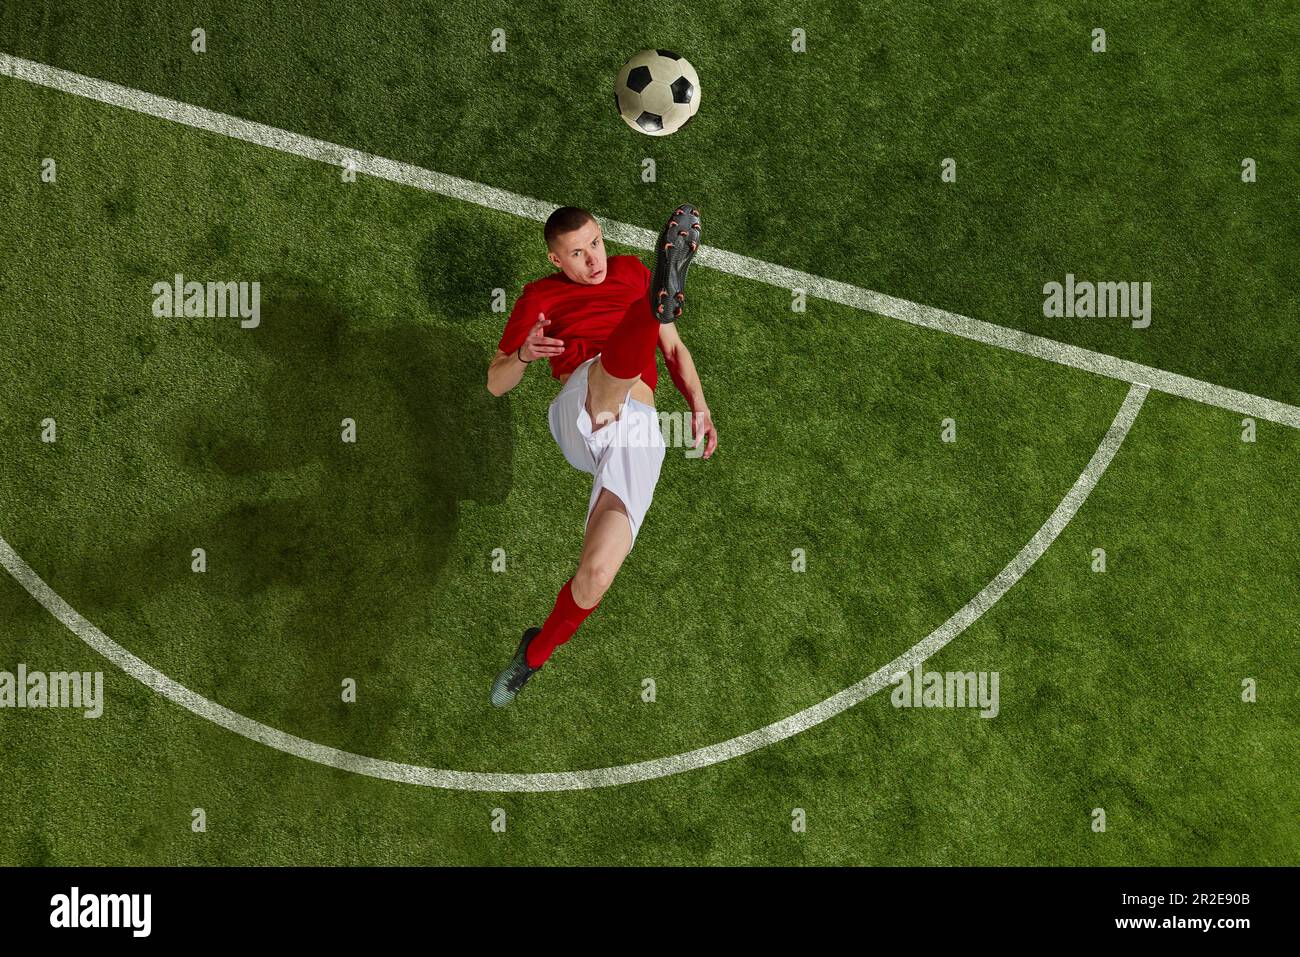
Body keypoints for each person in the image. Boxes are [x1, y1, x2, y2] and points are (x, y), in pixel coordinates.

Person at [487, 204, 716, 706]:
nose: (593, 260)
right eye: (577, 253)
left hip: (639, 434)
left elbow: (673, 351)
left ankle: (533, 655)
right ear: (555, 260)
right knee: (613, 374)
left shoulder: (633, 271)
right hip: (580, 408)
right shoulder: (540, 297)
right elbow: (496, 381)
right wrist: (524, 354)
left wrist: (697, 403)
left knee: (594, 579)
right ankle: (652, 308)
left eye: (596, 243)